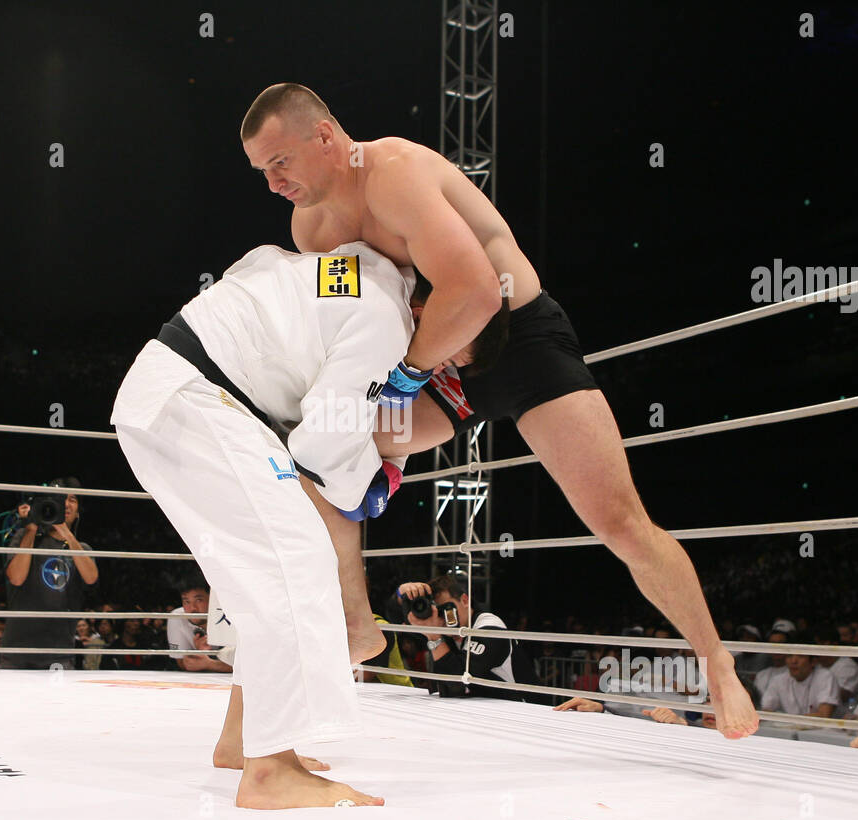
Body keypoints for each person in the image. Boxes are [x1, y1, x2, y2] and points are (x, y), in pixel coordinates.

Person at [239, 82, 759, 740]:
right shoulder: (311, 230)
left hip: (517, 344)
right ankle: (356, 618)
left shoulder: (394, 173)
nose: (273, 183)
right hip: (433, 366)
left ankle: (715, 661)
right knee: (322, 446)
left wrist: (406, 374)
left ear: (324, 136)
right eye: (262, 170)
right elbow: (341, 320)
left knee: (620, 523)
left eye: (279, 162)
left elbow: (477, 292)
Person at [112, 240, 441, 809]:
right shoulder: (389, 318)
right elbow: (321, 445)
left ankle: (244, 740)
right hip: (199, 398)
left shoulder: (356, 268)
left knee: (271, 575)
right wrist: (369, 483)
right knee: (296, 562)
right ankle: (271, 770)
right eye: (447, 355)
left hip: (184, 388)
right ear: (423, 313)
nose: (434, 367)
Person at [396, 573, 539, 703]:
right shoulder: (440, 626)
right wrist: (402, 592)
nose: (442, 618)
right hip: (486, 710)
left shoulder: (490, 628)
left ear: (464, 600)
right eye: (436, 612)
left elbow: (457, 683)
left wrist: (434, 637)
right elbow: (395, 618)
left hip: (526, 711)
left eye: (447, 610)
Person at [2, 478, 98, 670]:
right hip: (17, 651)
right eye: (60, 499)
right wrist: (30, 528)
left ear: (78, 512)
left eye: (72, 499)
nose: (66, 504)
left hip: (60, 653)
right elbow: (16, 578)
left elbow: (91, 577)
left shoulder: (82, 549)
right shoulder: (24, 538)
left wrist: (66, 533)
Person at [166, 579, 233, 674]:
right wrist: (199, 654)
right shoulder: (177, 617)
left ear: (213, 599)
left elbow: (248, 664)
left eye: (199, 600)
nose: (192, 608)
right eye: (186, 601)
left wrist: (210, 664)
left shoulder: (230, 616)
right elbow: (182, 663)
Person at [760, 653, 840, 719]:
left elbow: (824, 715)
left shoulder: (825, 677)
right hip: (789, 729)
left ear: (813, 661)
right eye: (789, 656)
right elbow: (766, 711)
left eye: (800, 656)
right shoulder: (778, 680)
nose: (793, 661)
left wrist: (790, 721)